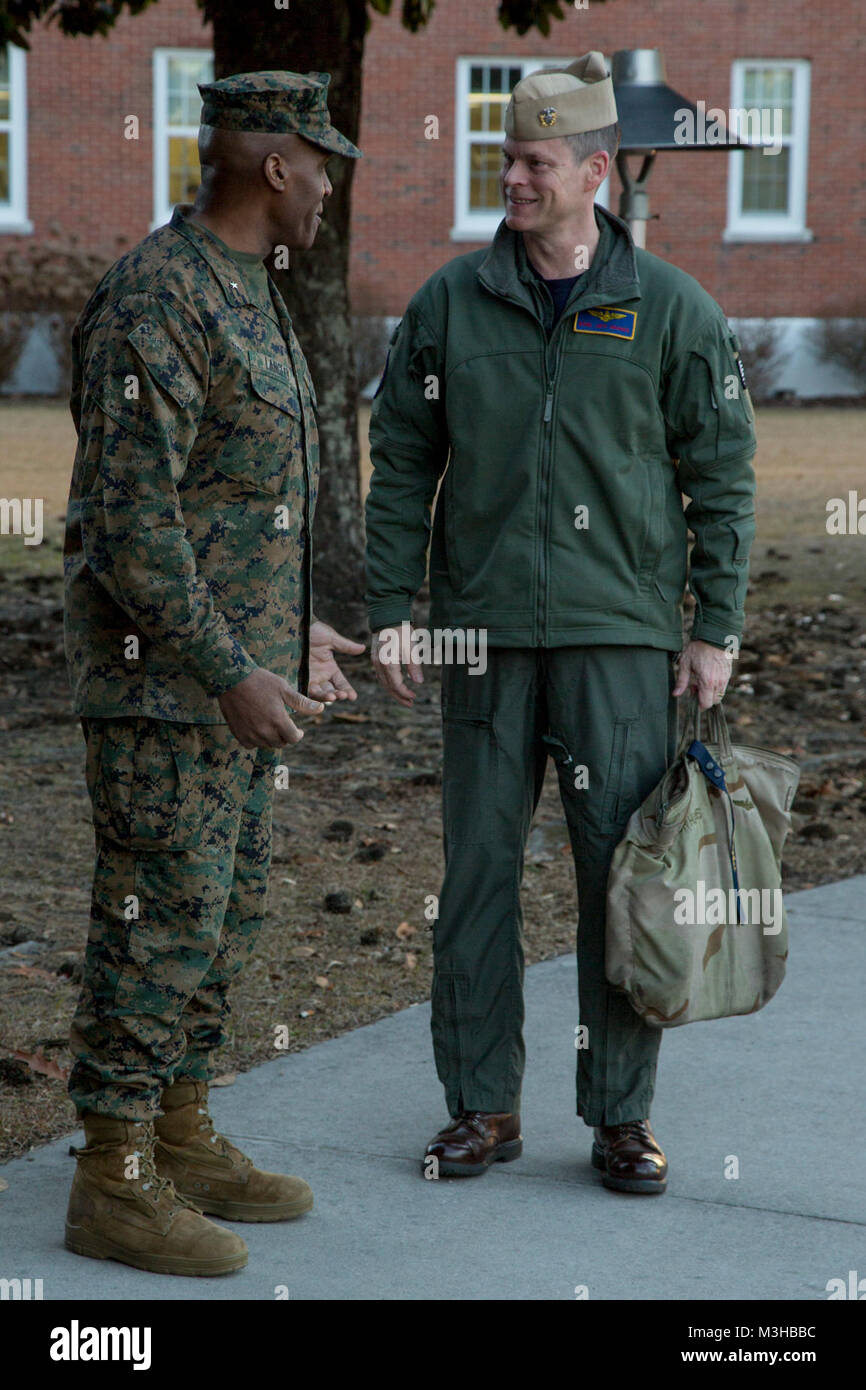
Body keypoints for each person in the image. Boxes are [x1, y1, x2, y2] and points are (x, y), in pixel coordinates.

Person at [365, 53, 756, 1195]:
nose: (513, 179)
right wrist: (393, 611)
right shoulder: (450, 302)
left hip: (619, 640)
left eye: (534, 162)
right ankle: (480, 1108)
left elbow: (721, 474)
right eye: (505, 159)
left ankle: (619, 1117)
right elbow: (401, 465)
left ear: (592, 172)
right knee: (475, 874)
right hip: (481, 638)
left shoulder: (668, 307)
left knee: (615, 881)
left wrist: (712, 628)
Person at [62, 70, 364, 1276]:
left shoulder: (250, 287)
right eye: (322, 159)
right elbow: (130, 525)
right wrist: (227, 664)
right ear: (272, 162)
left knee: (221, 918)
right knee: (155, 923)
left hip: (233, 688)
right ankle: (111, 1178)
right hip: (162, 691)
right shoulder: (158, 298)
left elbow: (240, 504)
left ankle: (179, 1134)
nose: (333, 184)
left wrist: (293, 640)